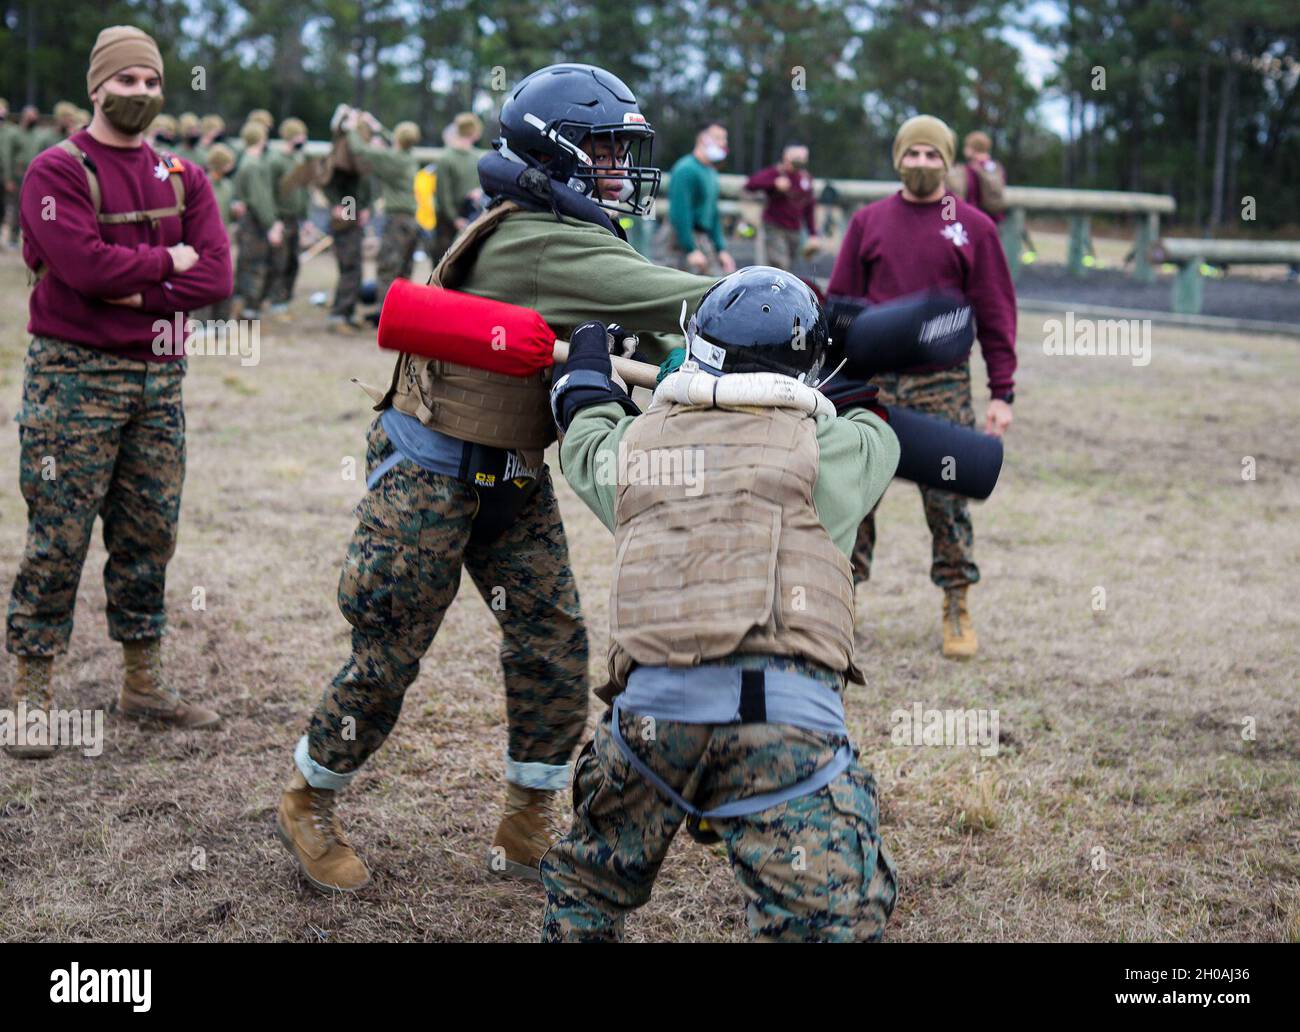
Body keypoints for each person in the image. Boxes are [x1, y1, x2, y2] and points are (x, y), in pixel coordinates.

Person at [274, 62, 719, 894]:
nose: (622, 170)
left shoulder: (565, 232)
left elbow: (648, 344)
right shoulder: (545, 243)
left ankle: (525, 821)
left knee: (552, 647)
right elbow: (692, 303)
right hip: (430, 478)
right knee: (387, 656)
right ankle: (310, 797)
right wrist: (798, 316)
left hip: (512, 476)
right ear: (557, 157)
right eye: (607, 151)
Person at [540, 266, 900, 941]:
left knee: (590, 885)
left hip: (649, 719)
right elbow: (875, 421)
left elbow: (584, 435)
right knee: (822, 920)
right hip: (782, 724)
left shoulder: (637, 447)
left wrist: (590, 367)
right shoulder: (843, 449)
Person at [6, 24, 232, 758]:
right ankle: (31, 693)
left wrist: (132, 288)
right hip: (74, 380)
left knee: (148, 537)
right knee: (58, 538)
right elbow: (84, 269)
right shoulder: (56, 170)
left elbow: (220, 277)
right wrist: (167, 264)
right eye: (125, 81)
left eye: (150, 82)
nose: (139, 93)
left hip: (160, 383)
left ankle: (142, 682)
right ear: (96, 87)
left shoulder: (183, 176)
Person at [828, 114, 1016, 660]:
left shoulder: (974, 227)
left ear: (948, 162)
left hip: (943, 384)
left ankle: (956, 603)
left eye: (933, 155)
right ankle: (841, 604)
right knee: (853, 497)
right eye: (912, 154)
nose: (922, 164)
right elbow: (841, 305)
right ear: (898, 159)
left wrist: (1002, 392)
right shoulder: (868, 222)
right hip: (872, 385)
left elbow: (997, 313)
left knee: (948, 500)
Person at [348, 113, 420, 317]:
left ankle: (385, 314)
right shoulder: (407, 157)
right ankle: (400, 311)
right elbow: (400, 141)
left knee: (387, 268)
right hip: (411, 221)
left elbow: (359, 149)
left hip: (396, 220)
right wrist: (378, 127)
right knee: (404, 270)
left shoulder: (392, 158)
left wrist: (352, 128)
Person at [660, 122, 736, 276]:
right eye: (718, 138)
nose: (723, 143)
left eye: (724, 139)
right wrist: (690, 249)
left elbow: (713, 212)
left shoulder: (711, 172)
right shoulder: (686, 169)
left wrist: (721, 248)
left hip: (703, 237)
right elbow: (680, 212)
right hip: (682, 238)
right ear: (703, 139)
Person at [322, 106, 373, 334]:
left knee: (355, 267)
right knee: (350, 267)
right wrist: (336, 205)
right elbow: (328, 182)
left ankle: (348, 312)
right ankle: (339, 316)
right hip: (345, 218)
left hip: (355, 215)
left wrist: (364, 208)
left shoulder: (356, 154)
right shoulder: (341, 152)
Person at [230, 119, 280, 320]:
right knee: (255, 265)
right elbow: (261, 199)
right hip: (255, 222)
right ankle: (249, 310)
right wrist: (272, 223)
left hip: (250, 220)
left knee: (247, 263)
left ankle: (242, 305)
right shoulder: (253, 165)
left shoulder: (248, 161)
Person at [744, 143, 819, 271]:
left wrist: (813, 234)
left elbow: (809, 207)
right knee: (780, 264)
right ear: (786, 157)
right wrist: (774, 183)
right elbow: (751, 184)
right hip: (775, 227)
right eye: (796, 157)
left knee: (790, 267)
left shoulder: (806, 178)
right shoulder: (776, 173)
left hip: (795, 230)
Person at [266, 116, 309, 319]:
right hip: (281, 219)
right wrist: (273, 220)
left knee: (293, 262)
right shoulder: (275, 161)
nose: (304, 139)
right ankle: (276, 303)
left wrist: (306, 218)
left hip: (295, 220)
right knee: (279, 263)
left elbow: (304, 190)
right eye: (301, 135)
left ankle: (285, 301)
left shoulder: (299, 159)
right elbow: (269, 192)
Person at [433, 112, 486, 262]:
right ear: (475, 133)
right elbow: (444, 195)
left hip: (467, 218)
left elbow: (443, 194)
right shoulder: (449, 158)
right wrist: (455, 219)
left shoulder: (472, 157)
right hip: (452, 224)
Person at [946, 131, 1007, 224]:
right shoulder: (996, 167)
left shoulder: (971, 169)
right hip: (995, 218)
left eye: (966, 146)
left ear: (972, 149)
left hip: (977, 219)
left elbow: (970, 196)